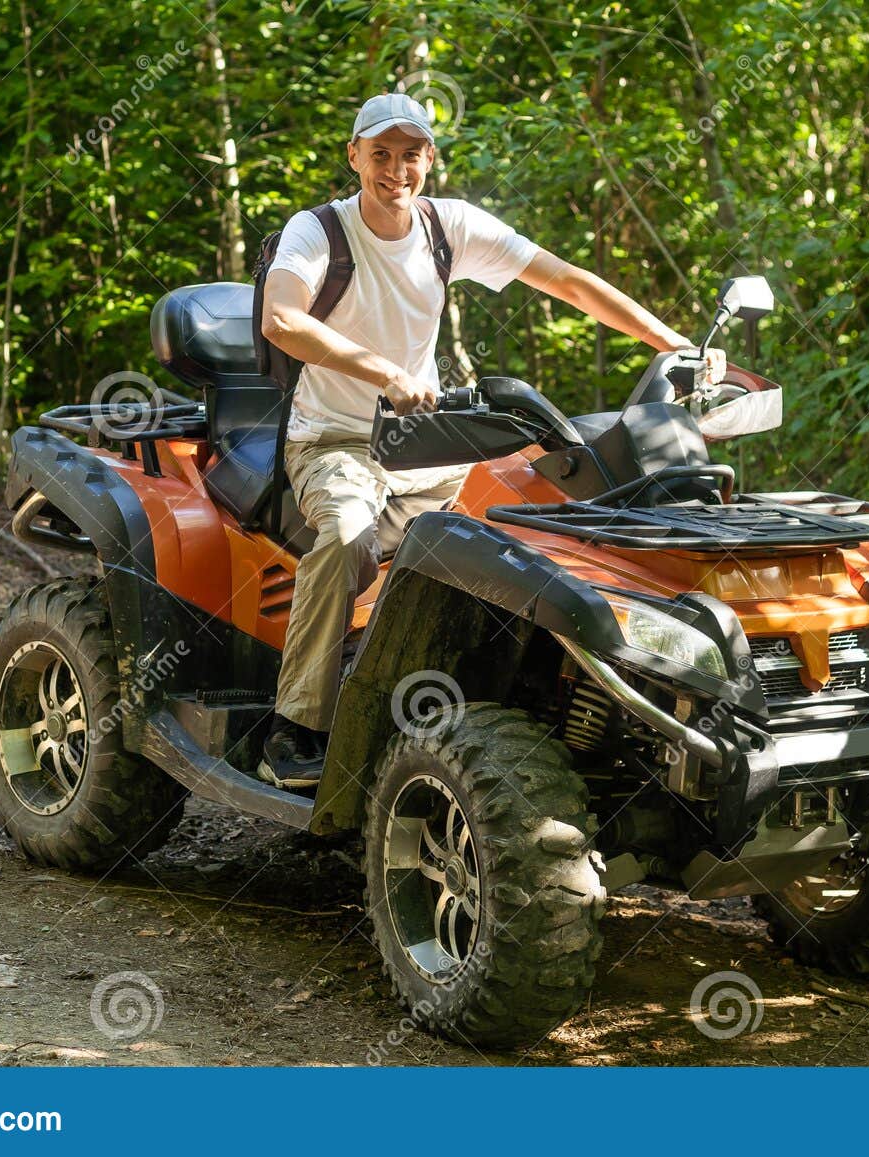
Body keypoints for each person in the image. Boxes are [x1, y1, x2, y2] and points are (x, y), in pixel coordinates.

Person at [256, 92, 724, 783]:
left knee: (538, 536)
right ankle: (295, 727)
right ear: (353, 156)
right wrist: (385, 372)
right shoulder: (319, 231)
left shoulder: (448, 227)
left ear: (429, 159)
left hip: (425, 443)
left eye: (410, 154)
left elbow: (566, 281)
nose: (395, 170)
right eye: (380, 154)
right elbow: (282, 320)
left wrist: (672, 344)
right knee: (349, 536)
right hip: (336, 441)